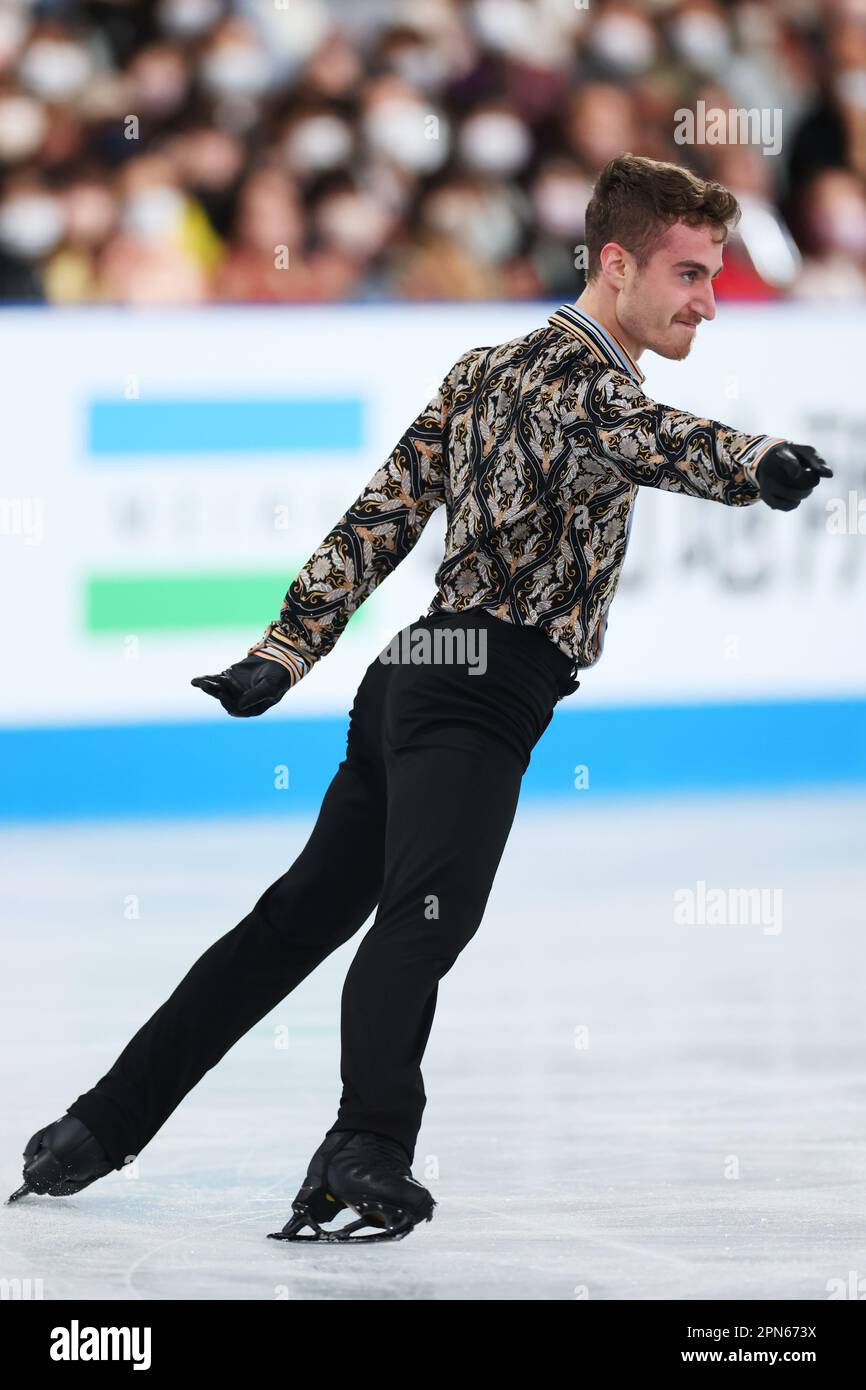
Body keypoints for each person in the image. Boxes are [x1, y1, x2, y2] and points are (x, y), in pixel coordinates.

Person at [9, 153, 832, 1241]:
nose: (706, 302)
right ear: (617, 261)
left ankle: (94, 1129)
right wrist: (756, 458)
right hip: (477, 691)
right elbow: (663, 441)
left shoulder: (483, 367)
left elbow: (377, 517)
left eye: (713, 275)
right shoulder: (587, 386)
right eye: (687, 274)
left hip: (408, 679)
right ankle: (366, 1142)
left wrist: (286, 648)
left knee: (295, 919)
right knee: (422, 921)